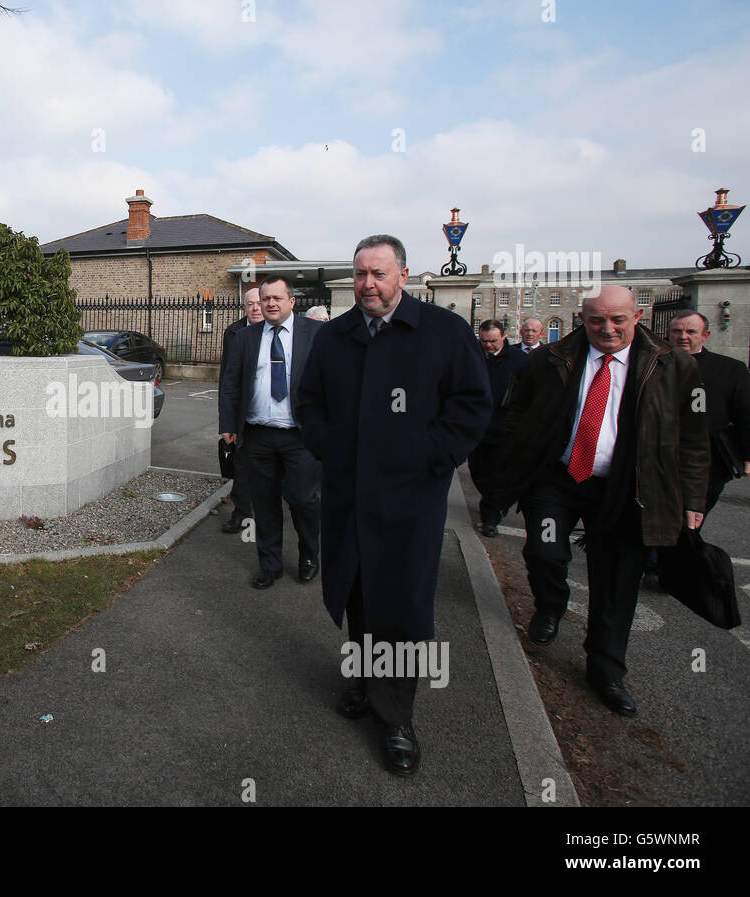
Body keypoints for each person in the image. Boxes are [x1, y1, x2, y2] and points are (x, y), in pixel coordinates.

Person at [296, 235, 490, 775]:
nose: (367, 284)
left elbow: (472, 406)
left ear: (403, 276)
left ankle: (397, 716)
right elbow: (308, 402)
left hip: (410, 503)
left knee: (401, 608)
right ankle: (365, 680)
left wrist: (431, 456)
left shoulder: (443, 332)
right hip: (350, 498)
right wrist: (330, 446)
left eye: (379, 274)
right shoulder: (335, 337)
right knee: (358, 595)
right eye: (360, 274)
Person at [493, 287, 707, 717]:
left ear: (638, 315)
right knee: (545, 550)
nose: (607, 329)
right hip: (558, 479)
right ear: (582, 319)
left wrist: (692, 497)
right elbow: (515, 413)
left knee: (618, 578)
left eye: (617, 320)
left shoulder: (676, 368)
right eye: (596, 321)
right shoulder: (549, 360)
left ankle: (606, 668)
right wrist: (515, 460)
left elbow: (693, 440)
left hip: (628, 488)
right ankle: (550, 605)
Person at [219, 275, 322, 589]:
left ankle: (308, 554)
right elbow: (231, 383)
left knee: (303, 500)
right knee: (263, 503)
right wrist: (228, 426)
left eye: (277, 298)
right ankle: (270, 563)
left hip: (301, 437)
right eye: (266, 299)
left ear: (292, 301)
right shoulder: (245, 337)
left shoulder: (316, 334)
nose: (270, 304)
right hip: (258, 435)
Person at [667, 311, 750, 519]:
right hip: (661, 460)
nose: (683, 336)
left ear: (706, 335)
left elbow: (745, 413)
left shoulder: (730, 369)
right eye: (677, 331)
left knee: (688, 527)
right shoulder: (654, 365)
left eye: (691, 331)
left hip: (708, 464)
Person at [470, 320, 527, 536]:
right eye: (484, 341)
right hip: (478, 427)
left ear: (503, 336)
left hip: (505, 428)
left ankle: (491, 517)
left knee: (498, 474)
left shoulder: (519, 361)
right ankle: (492, 502)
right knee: (479, 472)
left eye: (493, 341)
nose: (489, 345)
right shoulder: (474, 356)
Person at [219, 288, 265, 534]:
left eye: (259, 303)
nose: (256, 308)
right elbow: (227, 378)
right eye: (250, 304)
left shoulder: (276, 330)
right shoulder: (234, 332)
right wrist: (226, 423)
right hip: (243, 413)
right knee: (242, 465)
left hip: (272, 412)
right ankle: (242, 513)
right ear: (244, 307)